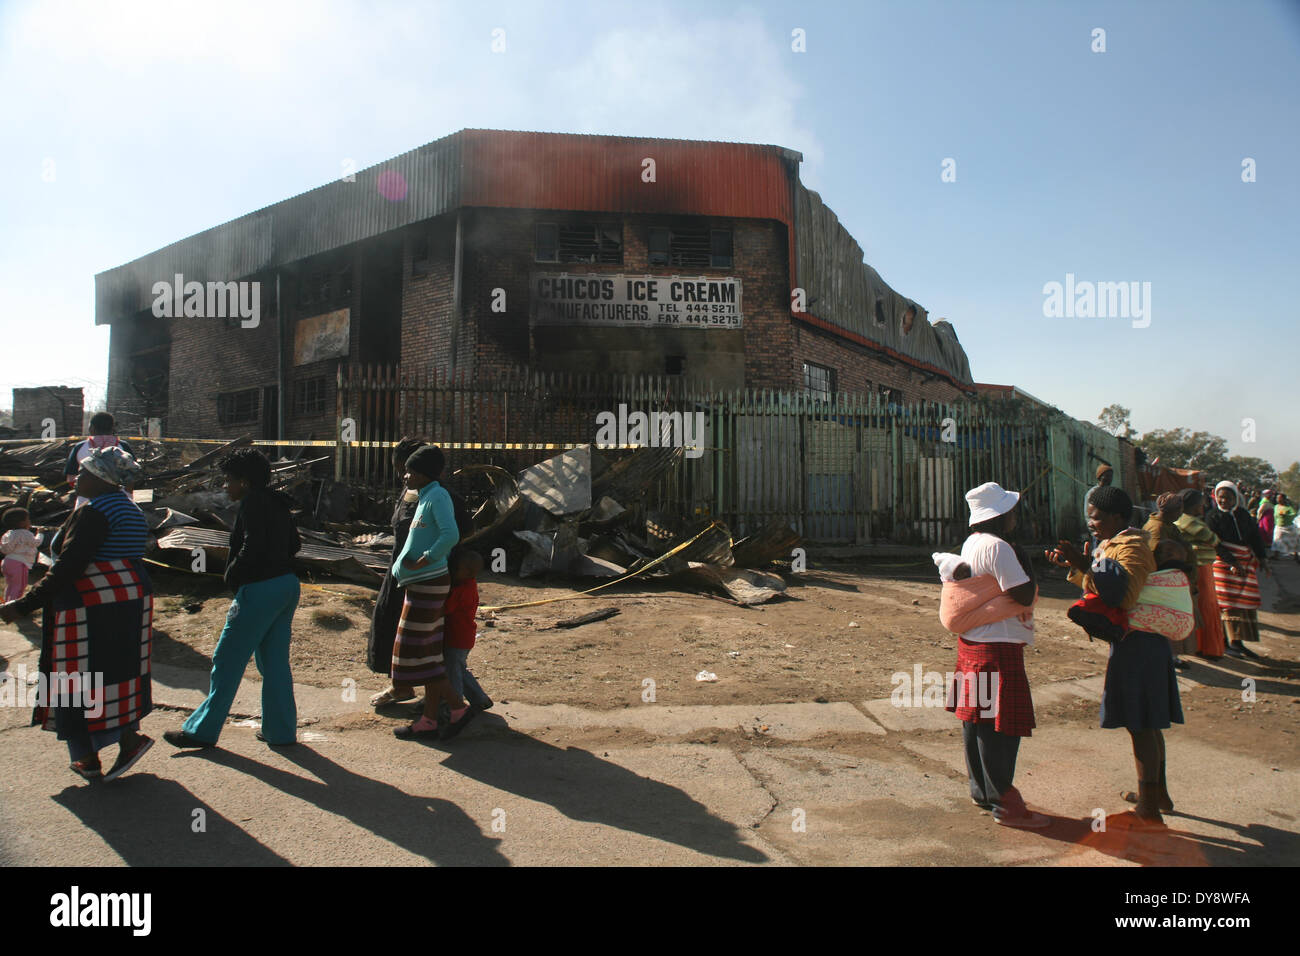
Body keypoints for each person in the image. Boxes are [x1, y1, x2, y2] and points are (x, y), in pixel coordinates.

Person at [0, 447, 154, 782]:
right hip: (128, 602)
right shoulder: (129, 509)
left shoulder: (94, 513)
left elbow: (69, 567)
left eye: (84, 472)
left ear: (101, 478)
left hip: (89, 607)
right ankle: (121, 742)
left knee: (76, 680)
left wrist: (23, 605)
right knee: (118, 675)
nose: (77, 478)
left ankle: (90, 754)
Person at [1048, 485, 1182, 827]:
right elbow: (1098, 586)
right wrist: (1077, 565)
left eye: (1096, 518)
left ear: (1118, 517)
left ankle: (1149, 810)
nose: (1091, 524)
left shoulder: (1133, 546)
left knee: (1141, 725)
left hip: (1140, 645)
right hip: (1134, 643)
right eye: (1089, 517)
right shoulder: (1112, 544)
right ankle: (1156, 794)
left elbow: (1122, 596)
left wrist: (1084, 563)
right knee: (1147, 723)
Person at [164, 449, 302, 748]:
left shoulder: (252, 503)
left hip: (260, 590)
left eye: (229, 480)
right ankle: (280, 732)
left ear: (246, 482)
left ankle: (201, 731)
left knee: (226, 659)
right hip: (286, 585)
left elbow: (251, 546)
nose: (226, 486)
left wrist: (234, 575)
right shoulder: (279, 502)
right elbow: (295, 544)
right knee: (274, 662)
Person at [944, 482, 1047, 828]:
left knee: (976, 719)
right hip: (999, 645)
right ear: (1001, 515)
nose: (1015, 515)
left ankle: (982, 791)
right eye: (1011, 510)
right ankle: (1006, 803)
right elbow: (1022, 593)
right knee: (1000, 728)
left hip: (975, 641)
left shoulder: (972, 542)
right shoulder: (1001, 548)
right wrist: (1026, 562)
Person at [387, 444, 467, 739]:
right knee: (427, 653)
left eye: (411, 472)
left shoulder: (438, 496)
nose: (405, 477)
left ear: (425, 474)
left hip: (429, 582)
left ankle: (458, 707)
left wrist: (427, 558)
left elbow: (451, 534)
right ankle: (430, 719)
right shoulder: (424, 496)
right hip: (419, 583)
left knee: (415, 651)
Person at [368, 436, 429, 695]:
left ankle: (445, 700)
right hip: (399, 572)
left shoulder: (435, 496)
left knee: (419, 639)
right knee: (391, 628)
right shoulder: (410, 491)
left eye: (403, 469)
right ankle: (400, 685)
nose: (400, 475)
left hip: (420, 575)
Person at [1206, 480, 1269, 659]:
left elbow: (1255, 537)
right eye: (1221, 497)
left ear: (1236, 497)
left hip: (1244, 563)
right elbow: (1215, 543)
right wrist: (1232, 562)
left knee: (1243, 604)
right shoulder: (1212, 516)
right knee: (1227, 605)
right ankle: (1226, 642)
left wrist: (1263, 559)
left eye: (1228, 497)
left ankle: (1238, 642)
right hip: (1224, 565)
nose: (1224, 501)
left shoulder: (1243, 515)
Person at [441, 546, 493, 738]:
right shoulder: (470, 585)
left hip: (456, 637)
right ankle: (480, 699)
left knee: (452, 673)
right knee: (459, 669)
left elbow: (445, 609)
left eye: (457, 570)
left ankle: (454, 707)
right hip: (464, 637)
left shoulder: (461, 589)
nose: (453, 572)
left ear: (469, 572)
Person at [1174, 488, 1229, 659]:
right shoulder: (1190, 522)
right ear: (1193, 505)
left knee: (1199, 607)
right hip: (1201, 568)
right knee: (1207, 607)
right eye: (1200, 503)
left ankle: (1200, 646)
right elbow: (1213, 539)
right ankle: (1209, 648)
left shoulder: (1184, 520)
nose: (1203, 505)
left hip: (1197, 567)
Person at [1142, 493, 1191, 668]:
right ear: (1173, 510)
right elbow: (1159, 557)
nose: (1180, 513)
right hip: (1162, 582)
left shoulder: (1168, 526)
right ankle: (1168, 658)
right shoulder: (1156, 529)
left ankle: (1170, 656)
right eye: (1179, 510)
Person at [64, 413, 133, 510]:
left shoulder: (80, 448)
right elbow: (133, 477)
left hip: (86, 505)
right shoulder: (124, 447)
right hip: (121, 505)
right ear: (112, 428)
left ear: (91, 428)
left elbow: (71, 479)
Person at [1, 507, 43, 602]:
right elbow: (35, 542)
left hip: (7, 562)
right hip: (20, 564)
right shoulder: (25, 533)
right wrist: (40, 534)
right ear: (22, 523)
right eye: (28, 519)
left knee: (11, 585)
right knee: (19, 586)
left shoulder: (8, 534)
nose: (30, 521)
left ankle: (6, 603)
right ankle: (14, 606)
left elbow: (5, 549)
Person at [1084, 464, 1114, 548]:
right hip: (1098, 531)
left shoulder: (1110, 492)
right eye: (1107, 476)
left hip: (1110, 530)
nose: (1109, 479)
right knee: (1099, 554)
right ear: (1100, 477)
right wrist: (1093, 529)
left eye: (1111, 476)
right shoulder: (1092, 493)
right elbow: (1088, 514)